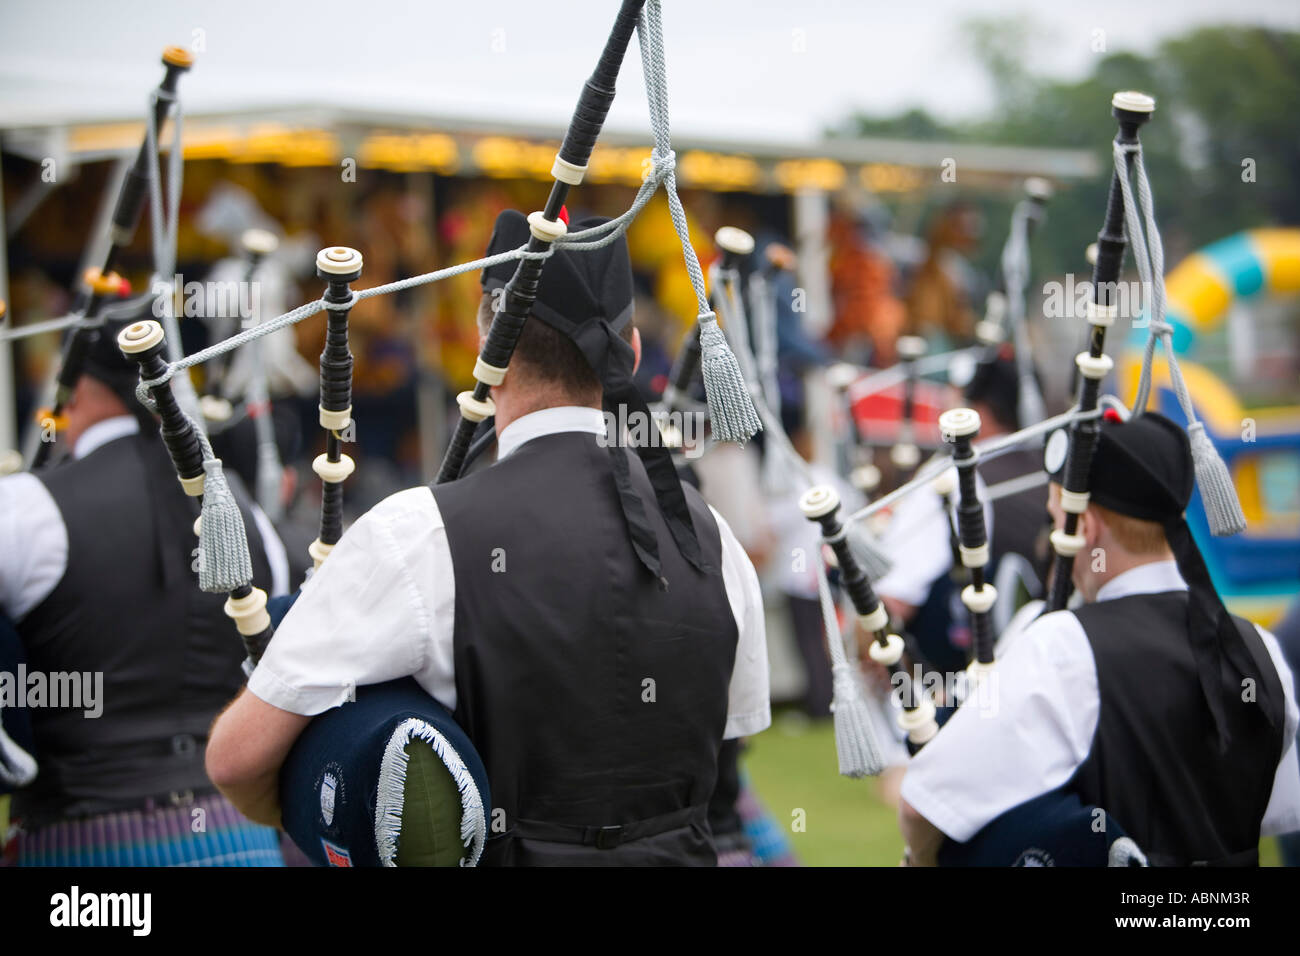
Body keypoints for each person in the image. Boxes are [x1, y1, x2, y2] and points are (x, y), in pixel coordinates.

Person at [206, 211, 771, 866]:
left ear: (487, 355)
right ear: (634, 351)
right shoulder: (713, 537)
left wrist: (320, 803)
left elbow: (236, 759)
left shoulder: (414, 533)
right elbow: (731, 730)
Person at [898, 411, 1300, 866]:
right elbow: (1276, 810)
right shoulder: (1260, 648)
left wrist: (921, 859)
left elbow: (924, 802)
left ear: (1084, 527)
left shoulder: (1063, 645)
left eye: (1057, 521)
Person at [0, 304, 289, 866]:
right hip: (240, 842)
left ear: (75, 388)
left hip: (85, 857)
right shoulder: (249, 515)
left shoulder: (27, 506)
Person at [876, 349, 1046, 678]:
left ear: (978, 410)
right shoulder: (1054, 471)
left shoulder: (953, 478)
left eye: (955, 397)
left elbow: (894, 602)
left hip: (958, 688)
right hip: (1042, 676)